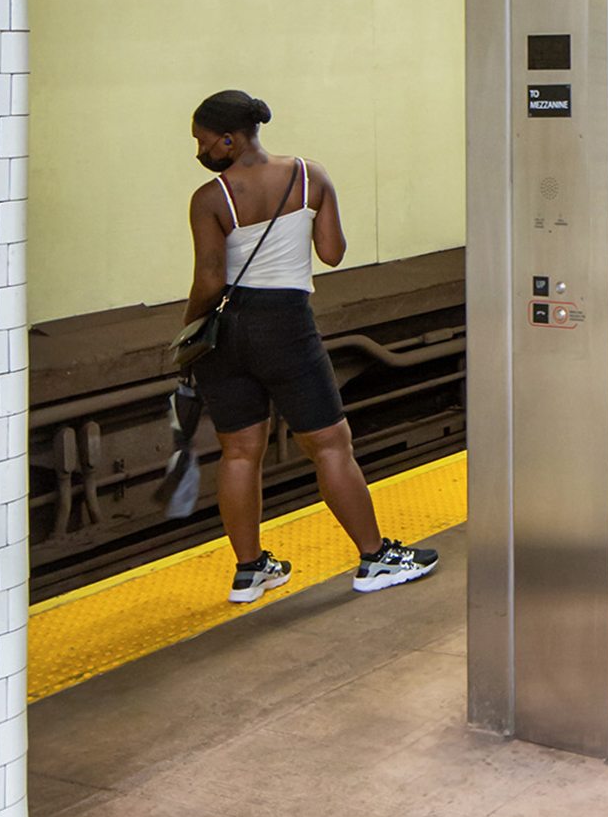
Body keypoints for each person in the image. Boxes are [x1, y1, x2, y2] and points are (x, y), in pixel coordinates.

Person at [179, 89, 440, 603]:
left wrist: (190, 329)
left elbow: (209, 280)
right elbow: (333, 253)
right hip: (286, 324)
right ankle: (374, 558)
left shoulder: (210, 198)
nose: (200, 151)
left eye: (203, 141)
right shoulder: (308, 176)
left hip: (226, 329)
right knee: (329, 445)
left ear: (228, 140)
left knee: (238, 452)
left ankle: (250, 571)